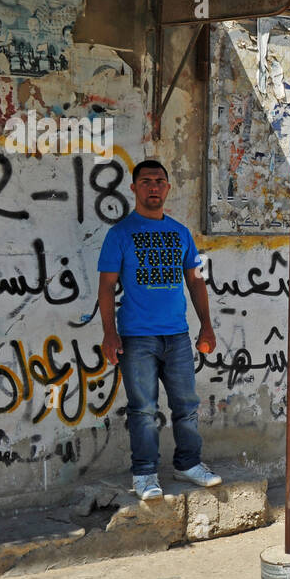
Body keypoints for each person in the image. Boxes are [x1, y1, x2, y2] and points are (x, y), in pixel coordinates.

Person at [97, 160, 221, 500]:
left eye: (160, 181)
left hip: (177, 336)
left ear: (168, 188)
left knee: (186, 404)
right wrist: (110, 333)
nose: (154, 186)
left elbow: (195, 282)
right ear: (134, 188)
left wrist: (206, 327)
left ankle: (188, 463)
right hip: (137, 338)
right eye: (147, 181)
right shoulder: (120, 234)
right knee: (143, 409)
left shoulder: (180, 233)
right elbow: (106, 287)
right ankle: (145, 474)